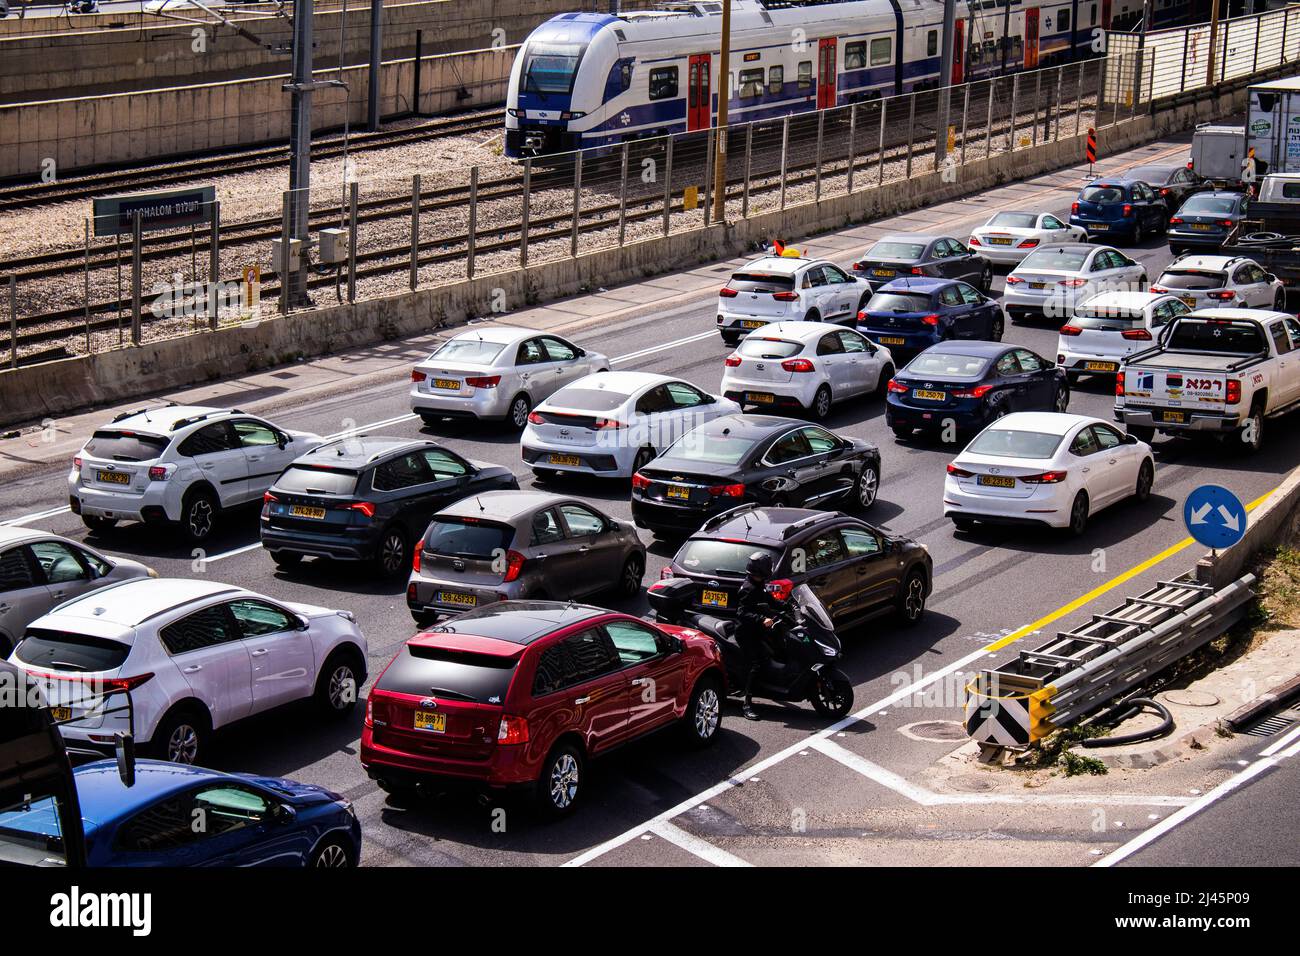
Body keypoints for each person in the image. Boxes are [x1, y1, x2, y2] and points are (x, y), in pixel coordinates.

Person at [734, 551, 781, 721]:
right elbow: (742, 613)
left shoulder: (757, 583)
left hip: (756, 629)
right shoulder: (748, 588)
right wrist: (762, 619)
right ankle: (747, 703)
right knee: (756, 663)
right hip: (746, 633)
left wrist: (786, 605)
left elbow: (767, 598)